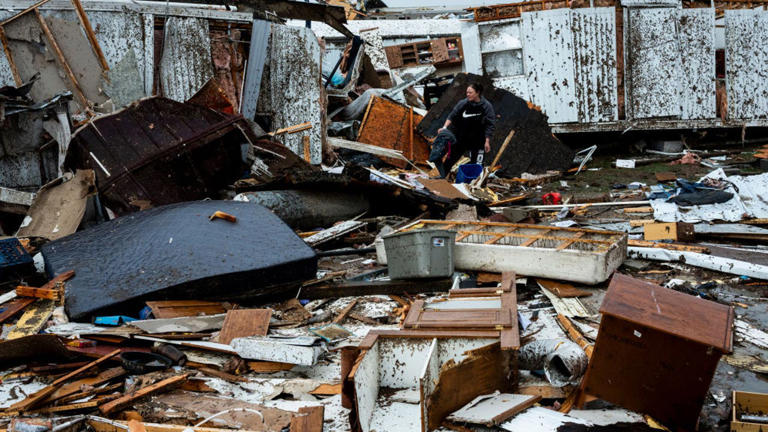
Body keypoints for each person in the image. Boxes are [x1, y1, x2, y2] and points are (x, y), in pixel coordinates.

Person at [437, 83, 495, 175]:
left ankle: (473, 185)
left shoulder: (486, 106)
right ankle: (441, 179)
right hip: (461, 138)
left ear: (477, 93)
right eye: (467, 92)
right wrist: (444, 127)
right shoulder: (463, 103)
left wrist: (487, 141)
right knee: (449, 161)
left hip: (478, 140)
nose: (467, 94)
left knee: (476, 166)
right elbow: (452, 115)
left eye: (470, 92)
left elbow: (490, 125)